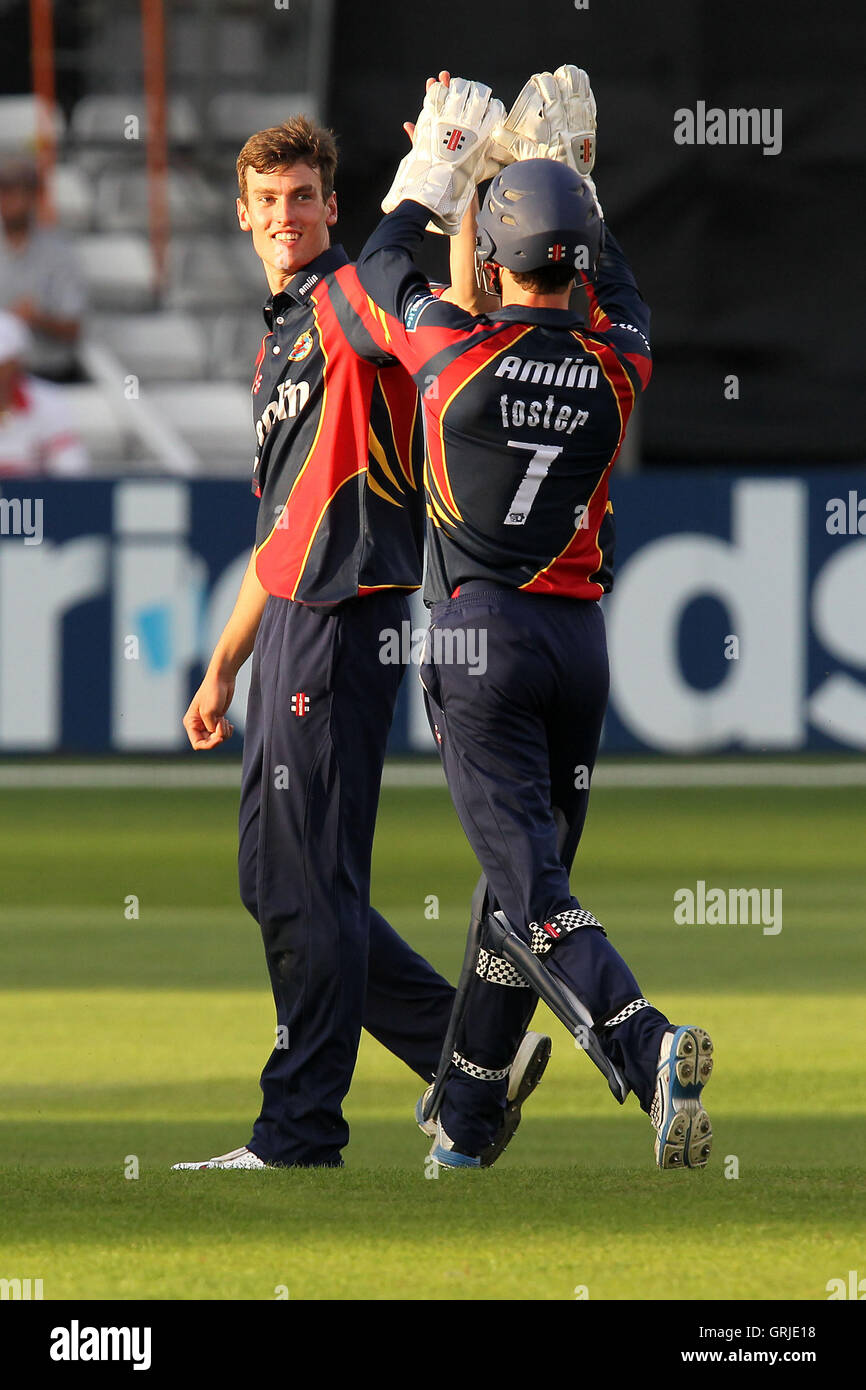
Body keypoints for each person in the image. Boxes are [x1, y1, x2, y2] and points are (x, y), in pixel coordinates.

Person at [349, 75, 714, 1171]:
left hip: (479, 642)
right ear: (578, 256)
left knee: (530, 891)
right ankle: (463, 1121)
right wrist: (576, 184)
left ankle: (643, 1041)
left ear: (495, 256)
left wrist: (438, 167)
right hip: (577, 648)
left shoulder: (454, 352)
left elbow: (376, 269)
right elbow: (622, 289)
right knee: (516, 886)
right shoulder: (619, 361)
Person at [172, 115, 549, 1172]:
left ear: (330, 207)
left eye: (302, 197)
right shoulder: (285, 331)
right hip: (289, 618)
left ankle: (298, 1132)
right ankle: (461, 1052)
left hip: (346, 615)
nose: (286, 217)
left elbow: (454, 318)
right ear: (244, 217)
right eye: (268, 202)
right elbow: (275, 523)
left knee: (311, 885)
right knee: (275, 879)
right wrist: (222, 661)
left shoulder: (350, 297)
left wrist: (456, 184)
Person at [0, 157, 85, 383]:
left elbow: (74, 328)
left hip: (48, 375)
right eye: (3, 191)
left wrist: (37, 319)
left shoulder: (59, 253)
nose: (7, 200)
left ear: (33, 197)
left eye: (16, 191)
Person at [0, 310, 88, 475]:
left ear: (16, 362)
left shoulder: (51, 403)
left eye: (1, 364)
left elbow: (72, 473)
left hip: (39, 500)